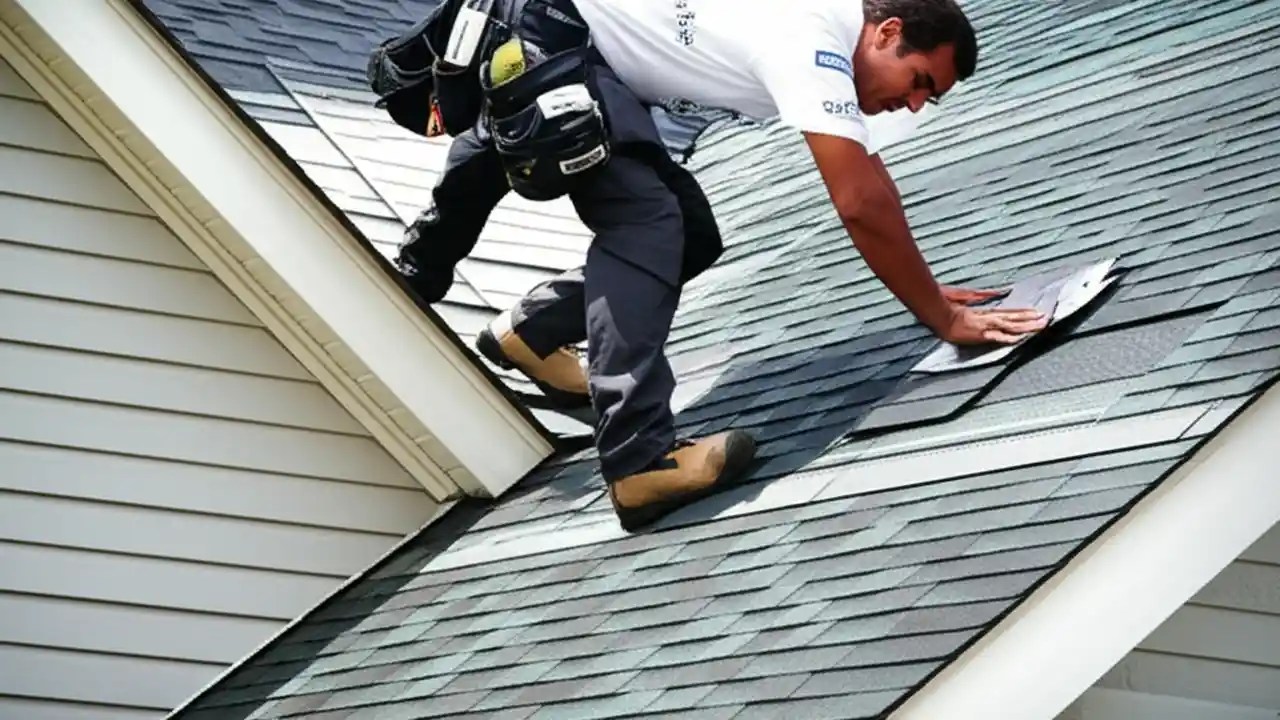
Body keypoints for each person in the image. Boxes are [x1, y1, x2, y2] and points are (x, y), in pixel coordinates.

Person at [388, 0, 1047, 532]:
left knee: (689, 235)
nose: (910, 105)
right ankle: (639, 461)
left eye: (926, 101)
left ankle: (529, 333)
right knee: (646, 223)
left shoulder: (828, 36)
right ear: (888, 32)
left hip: (568, 44)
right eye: (919, 83)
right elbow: (859, 202)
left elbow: (869, 174)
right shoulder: (813, 36)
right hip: (554, 34)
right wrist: (941, 318)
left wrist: (931, 291)